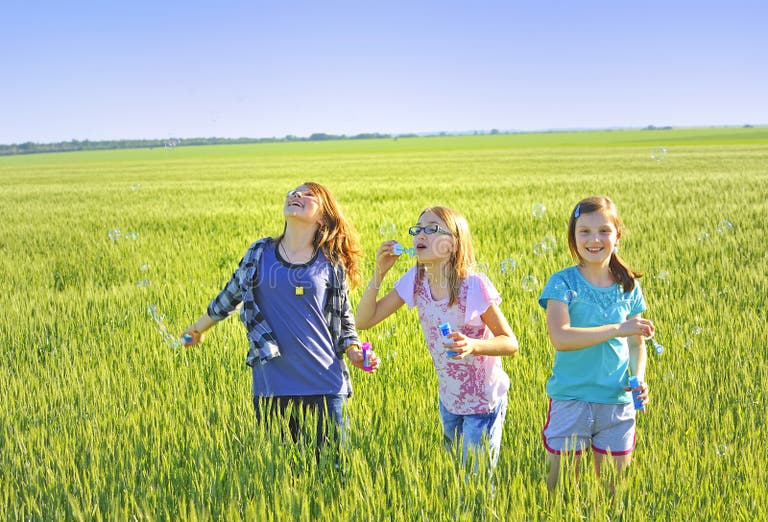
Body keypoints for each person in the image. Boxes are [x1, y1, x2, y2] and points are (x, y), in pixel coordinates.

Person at [182, 182, 378, 456]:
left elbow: (343, 318)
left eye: (308, 195)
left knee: (333, 477)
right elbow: (229, 296)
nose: (296, 195)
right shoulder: (259, 253)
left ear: (323, 216)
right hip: (272, 384)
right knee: (283, 478)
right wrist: (199, 329)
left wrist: (356, 353)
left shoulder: (331, 261)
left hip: (325, 382)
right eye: (293, 192)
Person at [355, 206, 518, 468]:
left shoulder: (473, 286)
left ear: (453, 244)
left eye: (431, 229)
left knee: (474, 483)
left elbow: (510, 342)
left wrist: (474, 345)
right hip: (449, 400)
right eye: (418, 229)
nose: (420, 235)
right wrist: (379, 273)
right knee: (455, 477)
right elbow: (365, 320)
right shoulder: (416, 280)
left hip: (482, 402)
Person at [538, 196, 653, 492]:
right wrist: (617, 328)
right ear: (573, 238)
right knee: (559, 493)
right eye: (584, 231)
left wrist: (638, 378)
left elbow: (636, 345)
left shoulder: (628, 286)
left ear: (617, 236)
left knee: (614, 495)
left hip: (616, 402)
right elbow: (561, 338)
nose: (594, 239)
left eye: (604, 230)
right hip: (571, 399)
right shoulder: (561, 283)